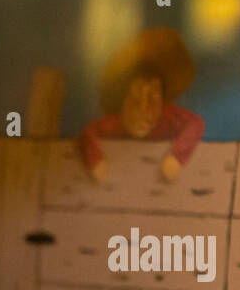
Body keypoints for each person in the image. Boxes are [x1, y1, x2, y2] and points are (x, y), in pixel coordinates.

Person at [79, 28, 204, 183]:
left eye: (152, 99)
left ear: (162, 101)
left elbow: (196, 123)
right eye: (136, 99)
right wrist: (95, 160)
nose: (144, 110)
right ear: (123, 101)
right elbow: (88, 132)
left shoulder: (169, 116)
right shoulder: (114, 123)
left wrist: (177, 156)